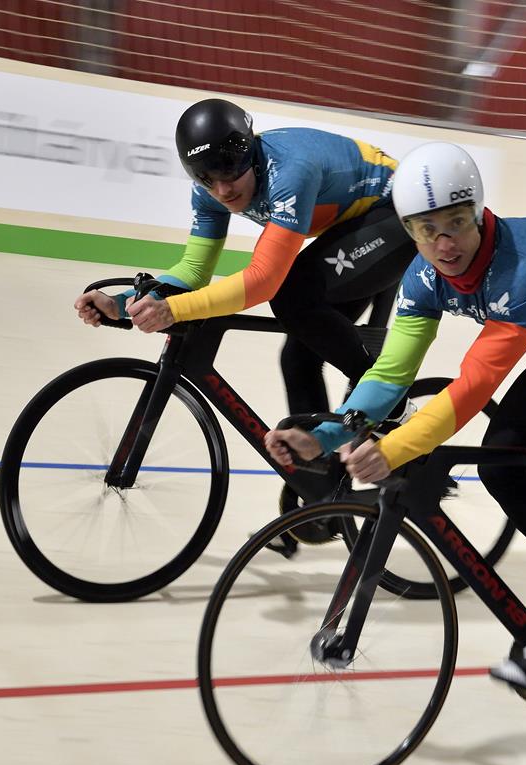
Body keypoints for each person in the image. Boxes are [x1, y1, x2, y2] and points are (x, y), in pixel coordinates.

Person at [265, 141, 526, 696]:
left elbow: (473, 387)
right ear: (408, 230)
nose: (444, 244)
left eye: (457, 222)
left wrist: (394, 449)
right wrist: (328, 435)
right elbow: (391, 374)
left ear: (478, 211)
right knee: (501, 465)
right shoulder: (424, 278)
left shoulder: (523, 269)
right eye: (426, 230)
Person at [74, 98, 417, 542]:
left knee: (292, 298)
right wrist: (123, 302)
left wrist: (174, 310)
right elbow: (194, 271)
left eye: (230, 168)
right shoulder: (212, 190)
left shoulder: (291, 171)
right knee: (298, 355)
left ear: (251, 151)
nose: (223, 189)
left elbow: (263, 282)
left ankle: (387, 402)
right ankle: (325, 492)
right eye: (207, 178)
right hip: (350, 224)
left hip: (396, 212)